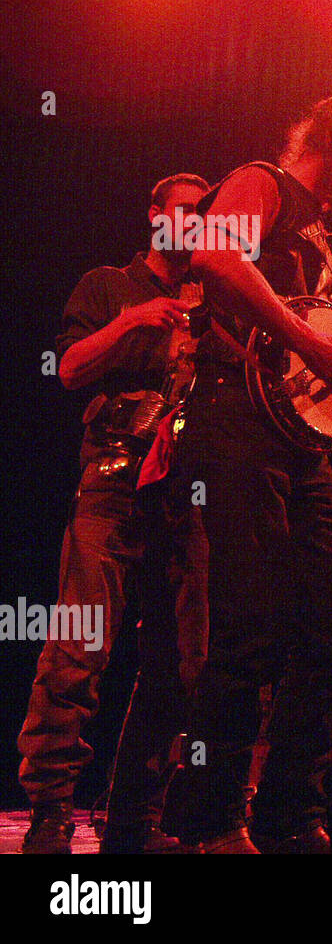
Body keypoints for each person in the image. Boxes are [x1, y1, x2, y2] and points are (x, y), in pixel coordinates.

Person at [167, 91, 332, 853]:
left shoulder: (324, 239)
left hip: (301, 444)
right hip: (233, 424)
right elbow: (213, 254)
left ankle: (288, 814)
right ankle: (208, 820)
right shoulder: (263, 182)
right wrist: (306, 340)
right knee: (249, 629)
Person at [17, 174, 210, 854]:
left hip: (183, 491)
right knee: (81, 641)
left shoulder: (215, 299)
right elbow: (67, 367)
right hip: (111, 480)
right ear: (156, 215)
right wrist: (131, 320)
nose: (195, 222)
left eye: (205, 214)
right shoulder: (108, 284)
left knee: (183, 659)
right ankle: (49, 808)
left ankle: (134, 814)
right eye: (186, 211)